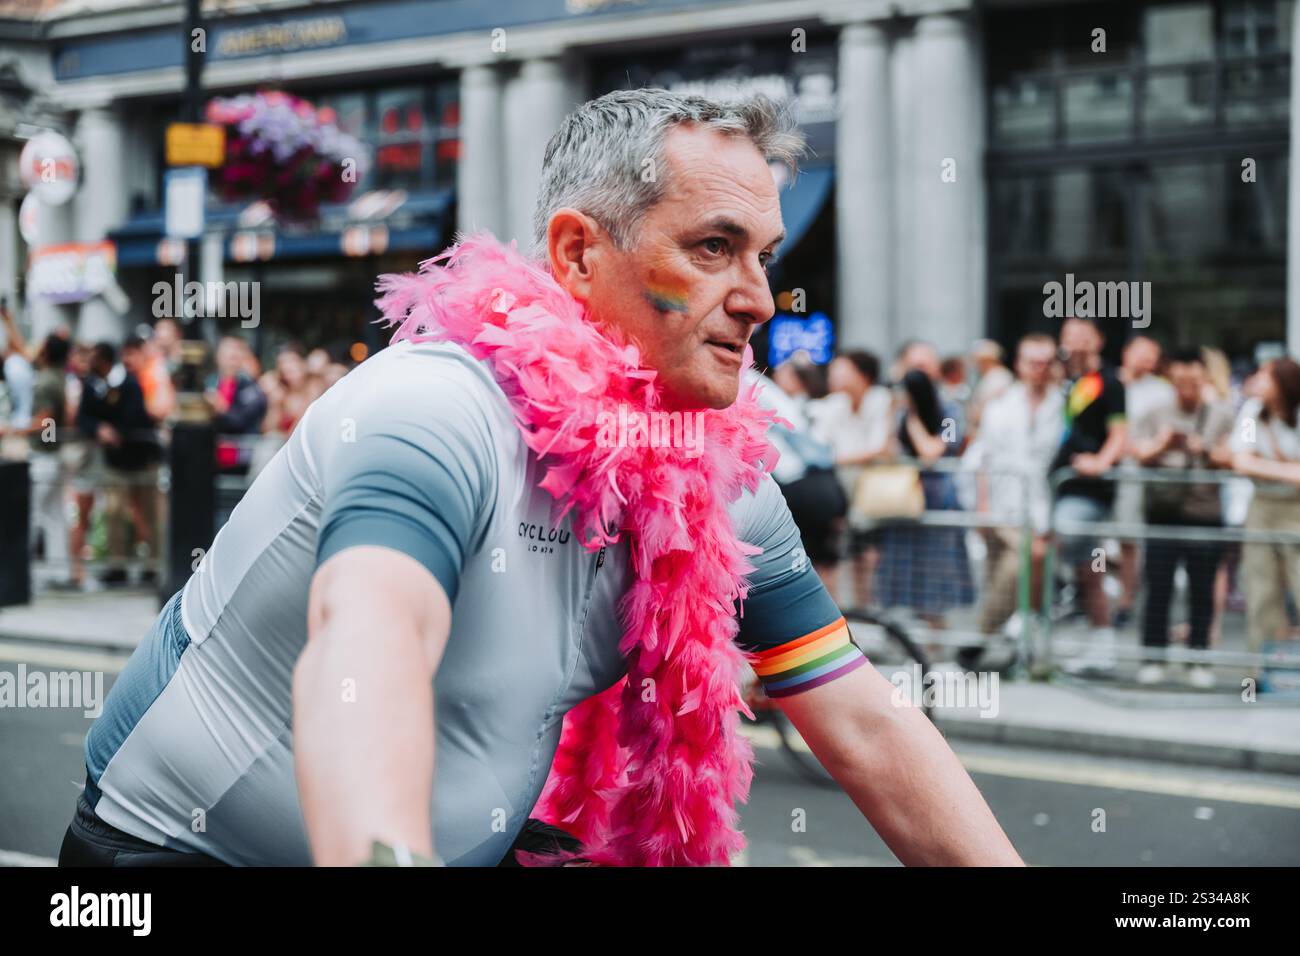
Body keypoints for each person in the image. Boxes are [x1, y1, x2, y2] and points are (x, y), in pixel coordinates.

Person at [60, 89, 1022, 869]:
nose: (761, 299)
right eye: (713, 248)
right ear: (576, 254)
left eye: (764, 257)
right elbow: (368, 650)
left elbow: (859, 722)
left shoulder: (722, 478)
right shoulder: (434, 408)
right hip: (168, 852)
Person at [1129, 348, 1233, 688]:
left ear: (1204, 377)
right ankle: (1153, 655)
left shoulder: (1221, 413)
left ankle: (1197, 658)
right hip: (1162, 511)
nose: (1186, 387)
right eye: (1180, 380)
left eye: (1193, 379)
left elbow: (1232, 455)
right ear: (1171, 379)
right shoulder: (1154, 411)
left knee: (1202, 588)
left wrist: (1204, 449)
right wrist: (1163, 444)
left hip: (1205, 512)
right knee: (1158, 585)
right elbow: (1137, 452)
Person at [959, 334, 1063, 671]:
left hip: (1039, 507)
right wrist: (983, 506)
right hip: (1000, 505)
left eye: (1046, 362)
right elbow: (983, 458)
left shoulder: (1061, 404)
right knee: (998, 576)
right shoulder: (1001, 404)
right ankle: (1008, 649)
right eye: (1033, 362)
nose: (1039, 369)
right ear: (1019, 364)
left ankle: (980, 640)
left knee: (1024, 566)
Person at [874, 347, 975, 631]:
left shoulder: (950, 410)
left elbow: (933, 452)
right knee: (906, 574)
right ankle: (913, 642)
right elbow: (886, 449)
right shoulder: (899, 411)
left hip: (938, 501)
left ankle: (937, 643)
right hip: (906, 500)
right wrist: (894, 411)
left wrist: (912, 416)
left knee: (936, 577)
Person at [1049, 317, 1127, 675]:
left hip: (1088, 492)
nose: (1074, 344)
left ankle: (1099, 632)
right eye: (1068, 337)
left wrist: (1101, 462)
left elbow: (1118, 432)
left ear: (1097, 340)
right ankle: (1100, 638)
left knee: (1075, 549)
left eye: (1082, 337)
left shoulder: (1109, 382)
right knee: (1087, 569)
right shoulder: (1070, 383)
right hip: (1063, 486)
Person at [809, 350, 892, 607]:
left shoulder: (880, 399)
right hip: (842, 493)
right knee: (845, 557)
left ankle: (869, 614)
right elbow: (820, 443)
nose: (835, 376)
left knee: (869, 558)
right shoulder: (833, 404)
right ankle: (852, 619)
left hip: (874, 494)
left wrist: (837, 459)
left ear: (862, 374)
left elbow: (882, 448)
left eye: (842, 370)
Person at [1229, 358, 1300, 656]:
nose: (1257, 380)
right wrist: (1290, 472)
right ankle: (1261, 669)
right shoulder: (1250, 413)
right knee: (1260, 591)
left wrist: (1263, 466)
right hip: (1262, 506)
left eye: (1265, 376)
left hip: (1295, 508)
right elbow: (1241, 460)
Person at [76, 343, 162, 587]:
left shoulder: (129, 384)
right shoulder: (91, 386)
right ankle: (118, 565)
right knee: (114, 511)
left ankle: (153, 566)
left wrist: (116, 431)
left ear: (103, 360)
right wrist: (99, 429)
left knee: (148, 514)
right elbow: (84, 417)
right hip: (114, 462)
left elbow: (135, 416)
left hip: (141, 460)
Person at [1112, 334, 1175, 629]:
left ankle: (1127, 600)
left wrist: (1142, 449)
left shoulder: (1162, 391)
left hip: (1136, 472)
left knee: (1130, 539)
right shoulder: (1108, 383)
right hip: (1105, 471)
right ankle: (1097, 595)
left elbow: (1164, 434)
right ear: (1127, 352)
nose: (1147, 361)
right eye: (1142, 353)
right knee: (1094, 539)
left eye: (1153, 355)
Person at [22, 333, 76, 587]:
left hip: (43, 456)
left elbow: (44, 422)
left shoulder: (45, 382)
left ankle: (18, 569)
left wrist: (10, 430)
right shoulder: (60, 378)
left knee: (31, 514)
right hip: (54, 455)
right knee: (54, 516)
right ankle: (60, 571)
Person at [205, 336, 269, 474]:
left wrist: (219, 409)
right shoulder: (210, 383)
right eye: (227, 355)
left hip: (242, 453)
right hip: (211, 452)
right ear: (218, 358)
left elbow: (240, 421)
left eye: (235, 355)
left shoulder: (252, 388)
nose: (231, 360)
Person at [967, 338, 1014, 433]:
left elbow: (986, 410)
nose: (975, 364)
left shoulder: (999, 377)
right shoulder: (990, 376)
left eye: (977, 360)